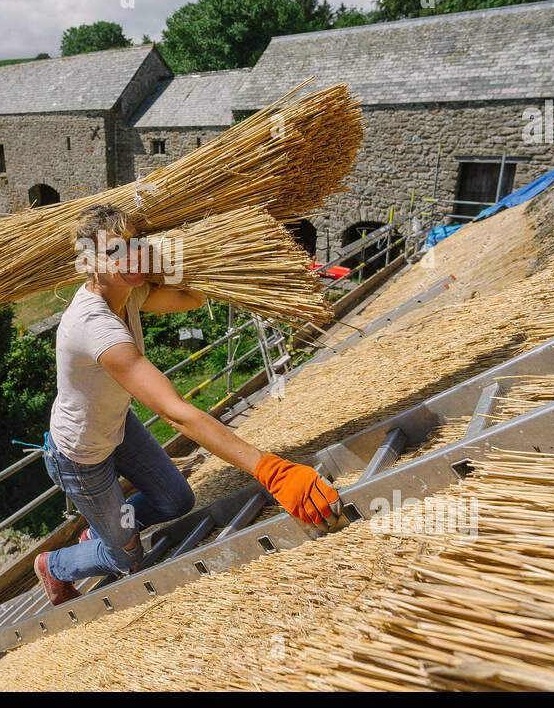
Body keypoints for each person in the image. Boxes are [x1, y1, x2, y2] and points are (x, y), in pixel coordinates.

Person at [34, 203, 341, 606]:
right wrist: (269, 469)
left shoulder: (130, 293)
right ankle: (54, 564)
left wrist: (170, 263)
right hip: (81, 454)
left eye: (134, 245)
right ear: (88, 262)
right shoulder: (93, 326)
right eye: (113, 251)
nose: (128, 256)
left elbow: (191, 298)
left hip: (117, 426)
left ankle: (105, 528)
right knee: (125, 558)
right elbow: (173, 412)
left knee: (176, 501)